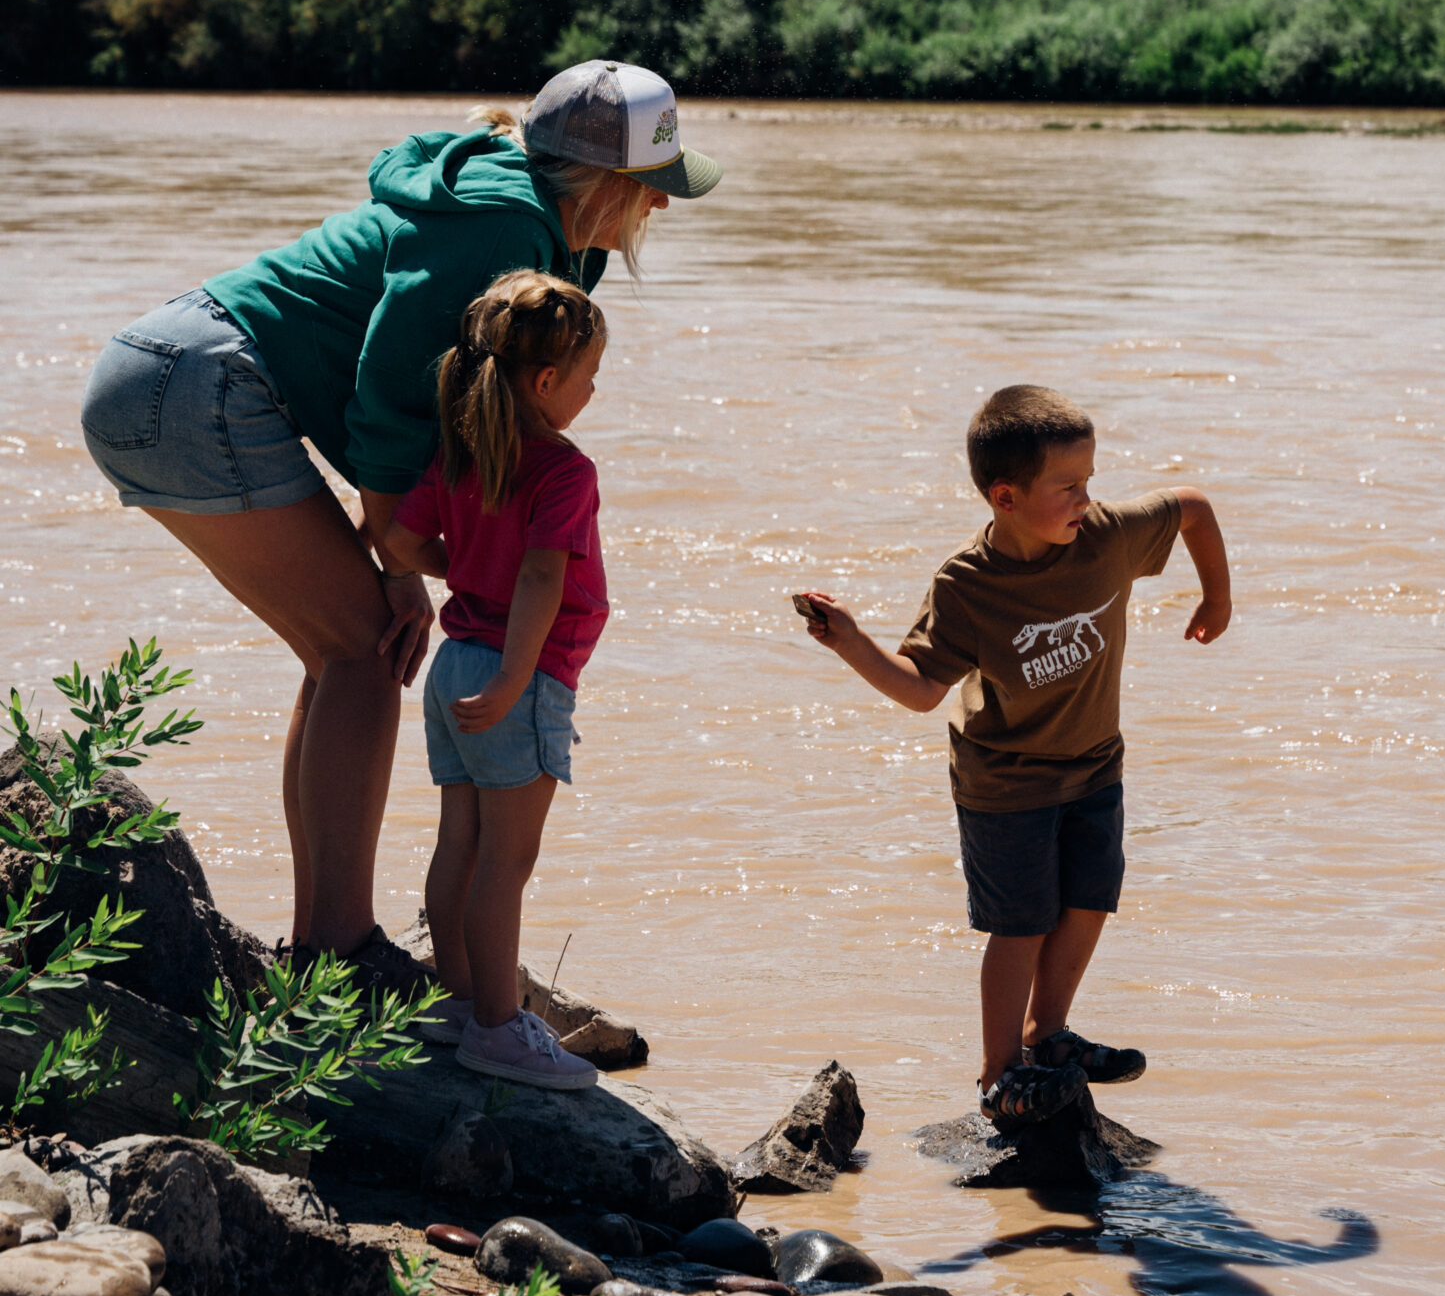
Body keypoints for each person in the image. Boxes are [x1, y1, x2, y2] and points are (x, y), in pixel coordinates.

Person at [79, 59, 720, 979]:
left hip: (173, 375)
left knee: (342, 649)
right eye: (651, 188)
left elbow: (468, 420)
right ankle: (338, 953)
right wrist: (398, 561)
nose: (661, 209)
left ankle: (321, 945)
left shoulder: (545, 226)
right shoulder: (504, 227)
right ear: (604, 182)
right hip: (194, 383)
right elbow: (389, 390)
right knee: (367, 643)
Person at [798, 383, 1231, 1124]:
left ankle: (1049, 1035)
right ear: (1004, 496)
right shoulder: (967, 585)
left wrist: (1216, 596)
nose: (1085, 500)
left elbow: (1190, 505)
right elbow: (921, 688)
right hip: (1004, 782)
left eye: (1089, 482)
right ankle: (998, 1074)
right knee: (1020, 923)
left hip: (1094, 763)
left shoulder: (1104, 538)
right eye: (1067, 487)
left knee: (1089, 901)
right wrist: (852, 641)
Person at [382, 269, 608, 1090]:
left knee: (459, 843)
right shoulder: (562, 471)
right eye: (588, 377)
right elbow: (546, 579)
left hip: (452, 668)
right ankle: (497, 1026)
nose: (592, 390)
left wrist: (469, 576)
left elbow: (398, 547)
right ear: (546, 382)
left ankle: (455, 1001)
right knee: (506, 863)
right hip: (522, 677)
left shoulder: (461, 458)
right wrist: (517, 675)